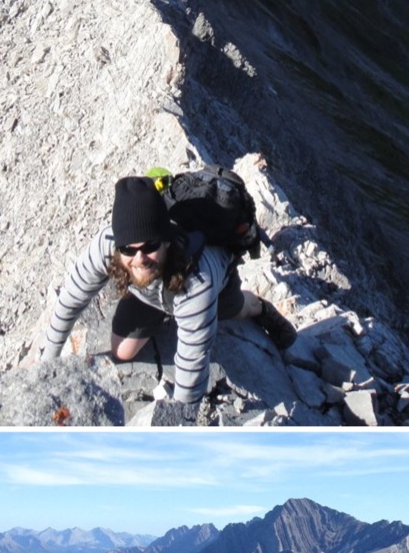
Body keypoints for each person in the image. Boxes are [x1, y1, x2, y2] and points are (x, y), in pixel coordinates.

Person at [40, 175, 295, 418]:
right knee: (123, 351)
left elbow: (191, 371)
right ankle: (164, 309)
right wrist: (45, 368)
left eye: (150, 246)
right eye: (128, 249)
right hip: (154, 290)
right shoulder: (106, 246)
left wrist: (178, 428)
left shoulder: (198, 285)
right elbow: (69, 304)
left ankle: (261, 308)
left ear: (167, 241)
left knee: (236, 310)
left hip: (208, 283)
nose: (139, 258)